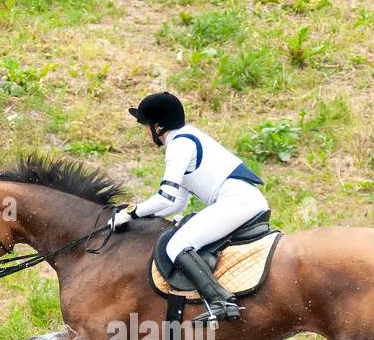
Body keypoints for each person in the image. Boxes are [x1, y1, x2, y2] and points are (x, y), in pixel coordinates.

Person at [113, 92, 268, 325]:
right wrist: (139, 216)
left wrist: (131, 212)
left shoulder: (179, 145)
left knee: (177, 245)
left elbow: (165, 198)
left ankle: (221, 301)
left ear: (158, 126)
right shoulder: (186, 138)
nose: (145, 132)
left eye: (146, 125)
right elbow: (177, 203)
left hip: (237, 201)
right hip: (241, 200)